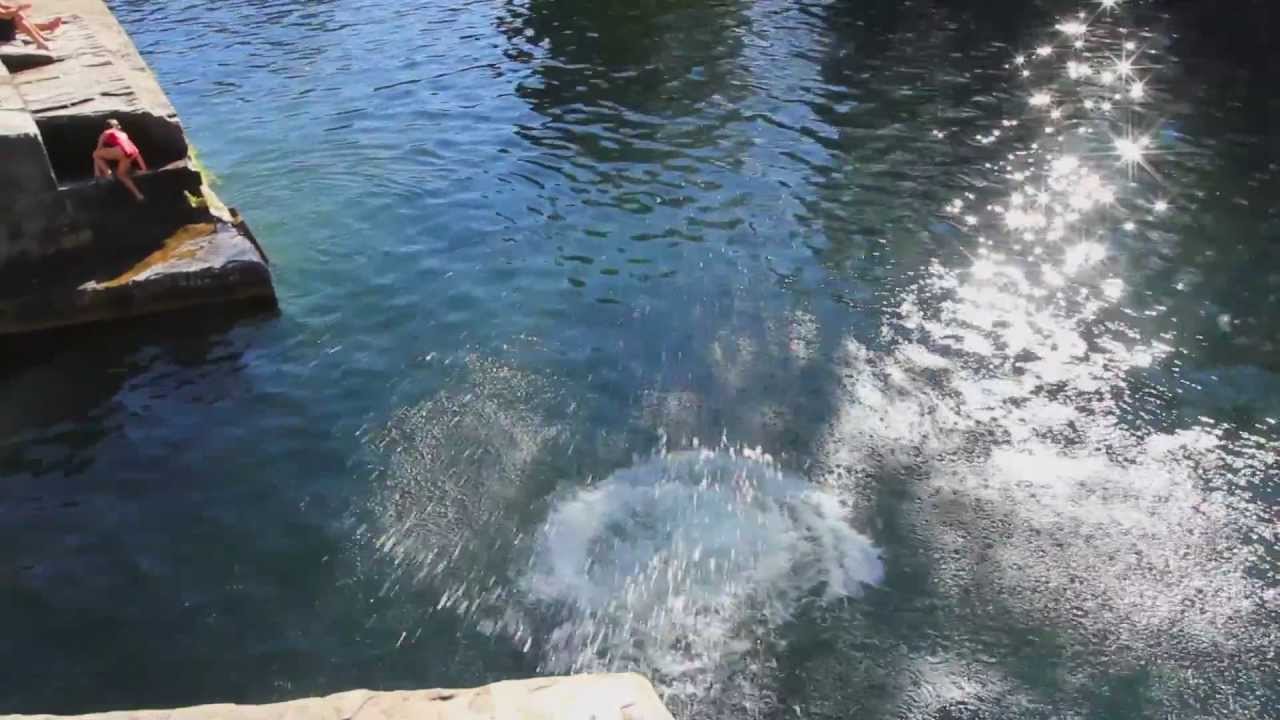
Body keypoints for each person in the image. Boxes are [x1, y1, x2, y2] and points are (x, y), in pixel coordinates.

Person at [93, 119, 148, 202]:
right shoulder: (123, 134)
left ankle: (108, 173)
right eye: (117, 125)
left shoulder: (105, 133)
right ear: (112, 126)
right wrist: (144, 169)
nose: (120, 126)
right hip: (130, 154)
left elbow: (98, 151)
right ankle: (139, 195)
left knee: (95, 154)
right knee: (121, 175)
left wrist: (97, 173)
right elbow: (136, 151)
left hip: (121, 151)